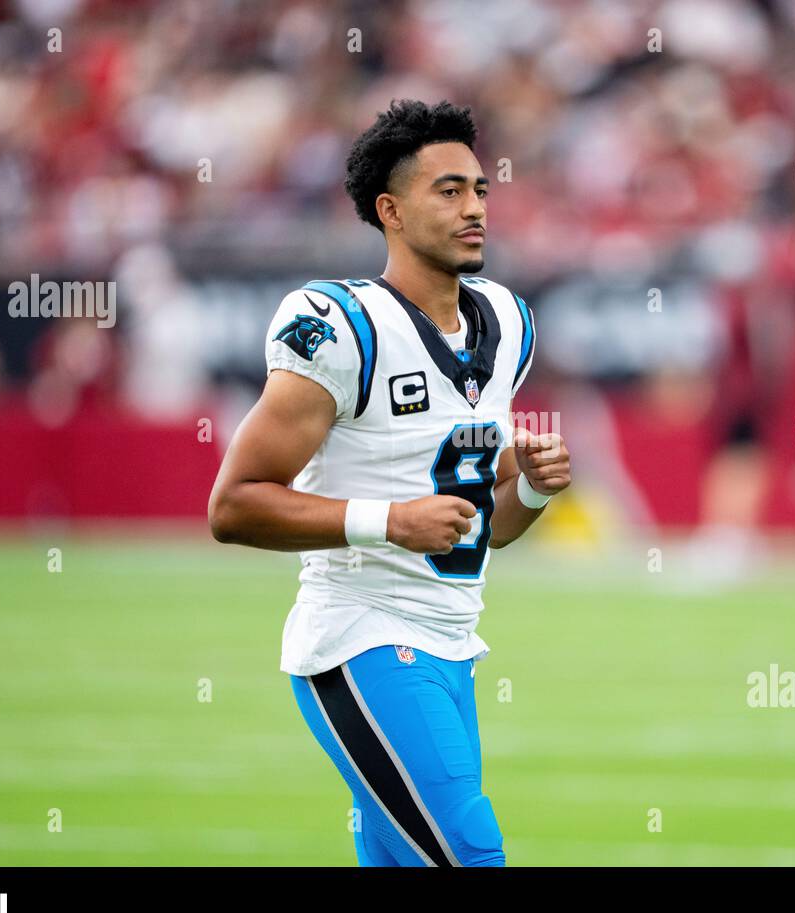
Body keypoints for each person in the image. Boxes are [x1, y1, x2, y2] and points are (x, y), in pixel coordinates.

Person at [207, 99, 570, 866]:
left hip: (454, 642)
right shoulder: (344, 326)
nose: (474, 208)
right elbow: (233, 505)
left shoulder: (506, 322)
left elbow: (486, 526)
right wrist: (387, 520)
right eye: (448, 191)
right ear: (391, 210)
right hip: (365, 637)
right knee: (472, 854)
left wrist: (531, 490)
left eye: (479, 189)